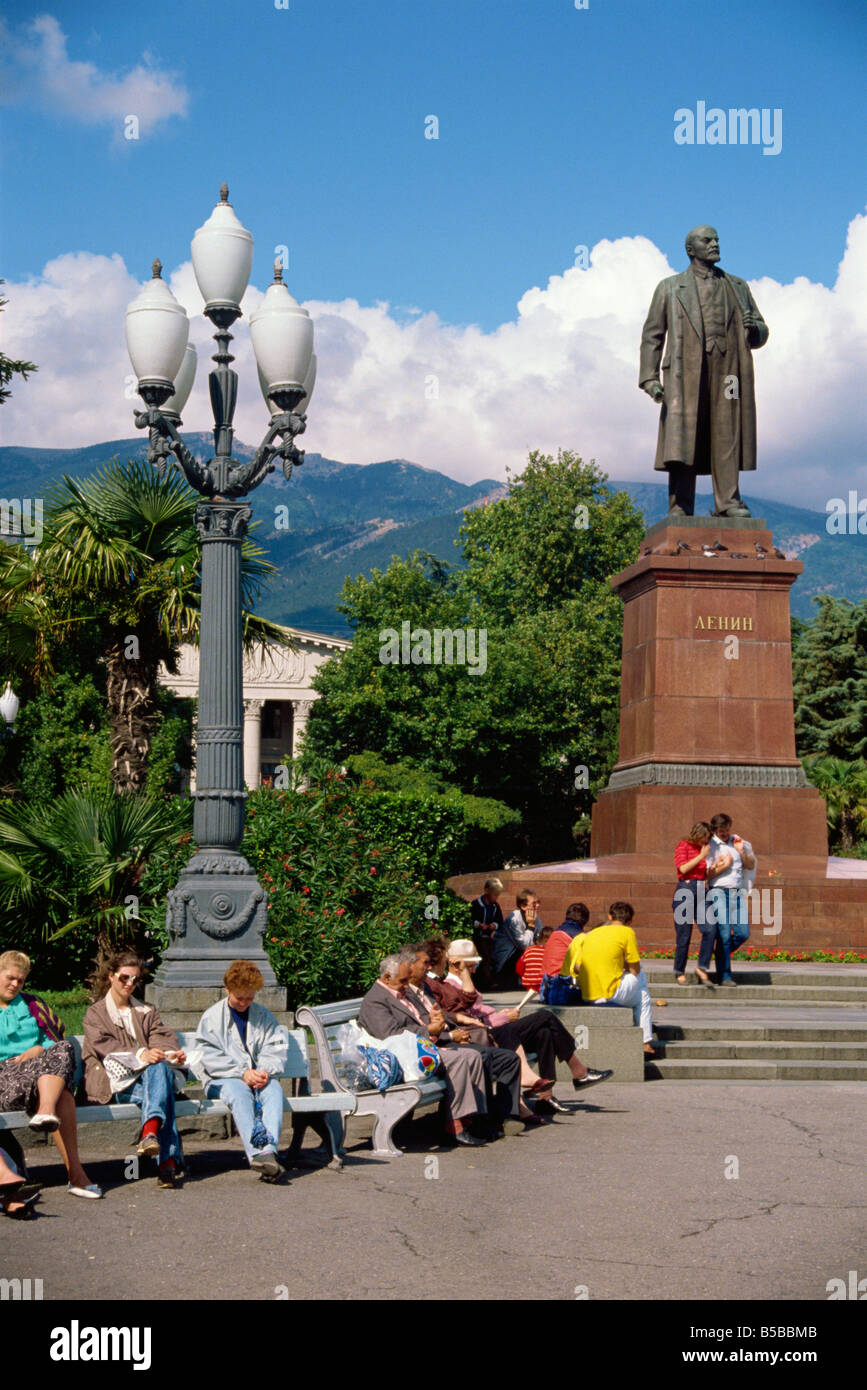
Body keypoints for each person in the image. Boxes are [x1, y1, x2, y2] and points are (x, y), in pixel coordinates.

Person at [640, 224, 769, 518]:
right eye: (707, 240)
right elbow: (652, 335)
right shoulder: (670, 287)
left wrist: (755, 329)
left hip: (729, 372)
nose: (714, 244)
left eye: (717, 239)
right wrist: (650, 378)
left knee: (727, 433)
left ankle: (728, 502)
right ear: (690, 249)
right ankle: (680, 506)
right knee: (684, 435)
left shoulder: (738, 287)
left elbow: (760, 333)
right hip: (685, 373)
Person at [434, 939, 612, 1113]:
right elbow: (473, 1022)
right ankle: (578, 1071)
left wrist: (499, 1015)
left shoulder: (462, 983)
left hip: (494, 1030)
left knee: (544, 1032)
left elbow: (477, 1015)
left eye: (474, 966)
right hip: (490, 1034)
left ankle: (546, 1096)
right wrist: (504, 1017)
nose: (473, 970)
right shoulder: (451, 985)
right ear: (456, 965)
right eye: (470, 965)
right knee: (546, 1017)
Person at [358, 953, 490, 1147]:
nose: (406, 986)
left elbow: (417, 1021)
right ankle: (453, 1125)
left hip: (417, 1049)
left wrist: (436, 1022)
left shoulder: (397, 993)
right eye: (403, 981)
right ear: (387, 977)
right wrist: (428, 1030)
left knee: (472, 1055)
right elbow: (391, 1035)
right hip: (400, 1057)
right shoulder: (375, 1001)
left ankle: (471, 1118)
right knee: (459, 1059)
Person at [0, 949, 101, 1200]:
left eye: (20, 980)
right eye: (10, 978)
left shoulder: (32, 1005)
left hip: (36, 1078)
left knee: (63, 1055)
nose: (15, 984)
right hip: (3, 1078)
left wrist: (37, 1048)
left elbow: (55, 1040)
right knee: (62, 1093)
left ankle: (46, 1114)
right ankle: (76, 1174)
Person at [401, 945, 532, 1136]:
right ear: (411, 966)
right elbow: (411, 1027)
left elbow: (461, 1003)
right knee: (482, 1055)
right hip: (437, 1043)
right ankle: (481, 1119)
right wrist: (451, 1035)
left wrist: (457, 1019)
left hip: (455, 1033)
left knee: (509, 1059)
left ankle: (505, 1116)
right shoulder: (412, 990)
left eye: (431, 963)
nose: (429, 968)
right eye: (426, 964)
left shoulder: (424, 988)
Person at [82, 951, 187, 1190]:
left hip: (147, 1081)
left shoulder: (146, 1010)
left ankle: (150, 1134)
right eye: (124, 978)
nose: (130, 984)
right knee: (163, 1091)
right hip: (115, 1083)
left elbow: (162, 1037)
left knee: (158, 1067)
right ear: (111, 977)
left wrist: (170, 1054)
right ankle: (167, 1163)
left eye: (135, 979)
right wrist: (142, 1054)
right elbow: (106, 1046)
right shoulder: (96, 1013)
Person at [194, 960, 288, 1178]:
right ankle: (258, 1155)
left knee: (273, 1089)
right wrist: (242, 1073)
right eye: (239, 998)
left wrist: (263, 1071)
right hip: (221, 1079)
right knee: (239, 1091)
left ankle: (268, 1152)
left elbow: (275, 1047)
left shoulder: (264, 1016)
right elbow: (208, 1055)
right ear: (227, 990)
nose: (244, 1003)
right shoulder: (211, 1017)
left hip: (256, 1077)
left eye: (250, 998)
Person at [564, 903, 656, 1057]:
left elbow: (578, 966)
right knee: (642, 990)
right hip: (609, 993)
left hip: (587, 993)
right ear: (630, 921)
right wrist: (623, 965)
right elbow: (634, 970)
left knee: (638, 985)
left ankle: (644, 1037)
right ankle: (645, 1042)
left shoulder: (592, 934)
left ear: (609, 917)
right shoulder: (627, 932)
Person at [706, 813, 756, 985]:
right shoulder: (710, 845)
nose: (725, 834)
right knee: (724, 934)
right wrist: (724, 866)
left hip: (736, 892)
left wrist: (741, 853)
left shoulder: (738, 842)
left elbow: (750, 865)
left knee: (743, 933)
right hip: (718, 891)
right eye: (721, 831)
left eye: (727, 830)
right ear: (714, 830)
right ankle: (725, 975)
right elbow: (707, 874)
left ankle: (720, 953)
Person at [673, 821, 715, 987]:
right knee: (684, 935)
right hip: (685, 889)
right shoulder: (683, 846)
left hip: (701, 889)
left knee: (710, 928)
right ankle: (679, 972)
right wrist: (701, 856)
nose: (706, 842)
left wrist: (717, 867)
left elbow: (704, 874)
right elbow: (682, 868)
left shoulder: (704, 850)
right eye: (704, 838)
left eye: (708, 839)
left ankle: (702, 967)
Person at [539, 903, 589, 1004]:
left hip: (545, 987)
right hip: (562, 987)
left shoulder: (555, 933)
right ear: (585, 921)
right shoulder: (578, 937)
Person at [492, 888, 537, 989]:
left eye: (538, 903)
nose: (537, 906)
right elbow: (523, 945)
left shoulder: (535, 916)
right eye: (534, 904)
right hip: (505, 959)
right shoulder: (514, 919)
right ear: (523, 906)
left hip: (517, 955)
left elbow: (540, 940)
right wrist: (530, 926)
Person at [469, 877, 504, 990]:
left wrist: (494, 925)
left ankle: (485, 980)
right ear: (487, 891)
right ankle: (486, 981)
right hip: (477, 937)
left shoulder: (495, 906)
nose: (496, 898)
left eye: (497, 895)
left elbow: (499, 921)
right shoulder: (476, 904)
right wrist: (479, 925)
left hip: (488, 937)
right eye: (494, 895)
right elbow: (470, 919)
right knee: (484, 957)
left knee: (489, 957)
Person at [516, 926, 553, 994]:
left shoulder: (528, 950)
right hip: (542, 984)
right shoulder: (550, 952)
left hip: (528, 984)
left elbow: (519, 968)